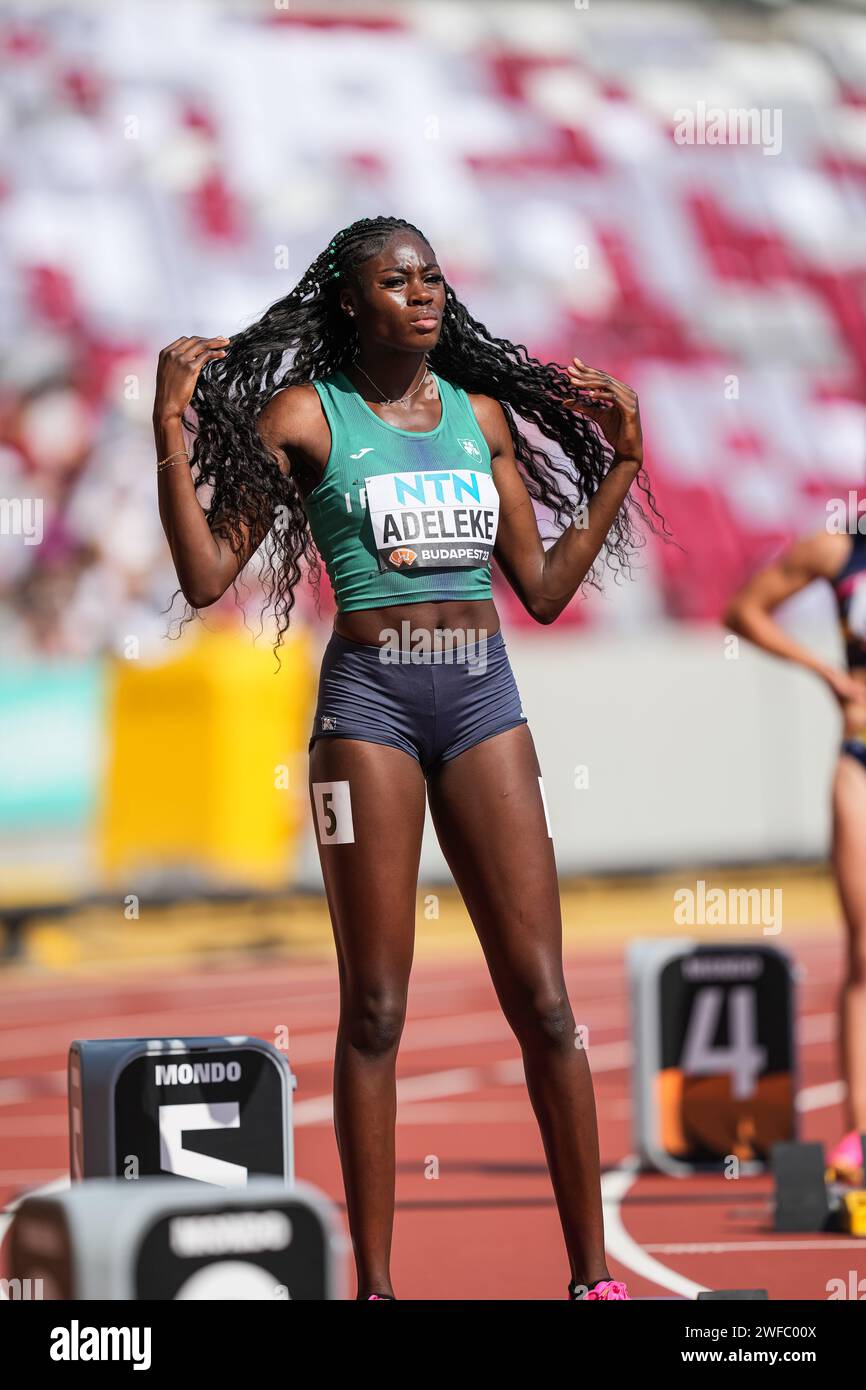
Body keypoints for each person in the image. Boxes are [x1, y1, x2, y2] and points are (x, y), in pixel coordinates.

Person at [153, 215, 659, 1300]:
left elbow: (542, 589)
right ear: (351, 301)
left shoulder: (478, 418)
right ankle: (375, 1287)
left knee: (544, 1000)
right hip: (367, 710)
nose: (424, 293)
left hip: (482, 701)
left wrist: (620, 464)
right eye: (397, 280)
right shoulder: (307, 417)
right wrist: (168, 425)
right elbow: (203, 579)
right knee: (375, 1007)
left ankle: (591, 1280)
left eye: (432, 277)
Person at [725, 521, 866, 1186]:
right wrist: (826, 675)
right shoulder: (840, 549)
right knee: (864, 951)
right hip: (859, 762)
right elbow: (744, 610)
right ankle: (861, 1134)